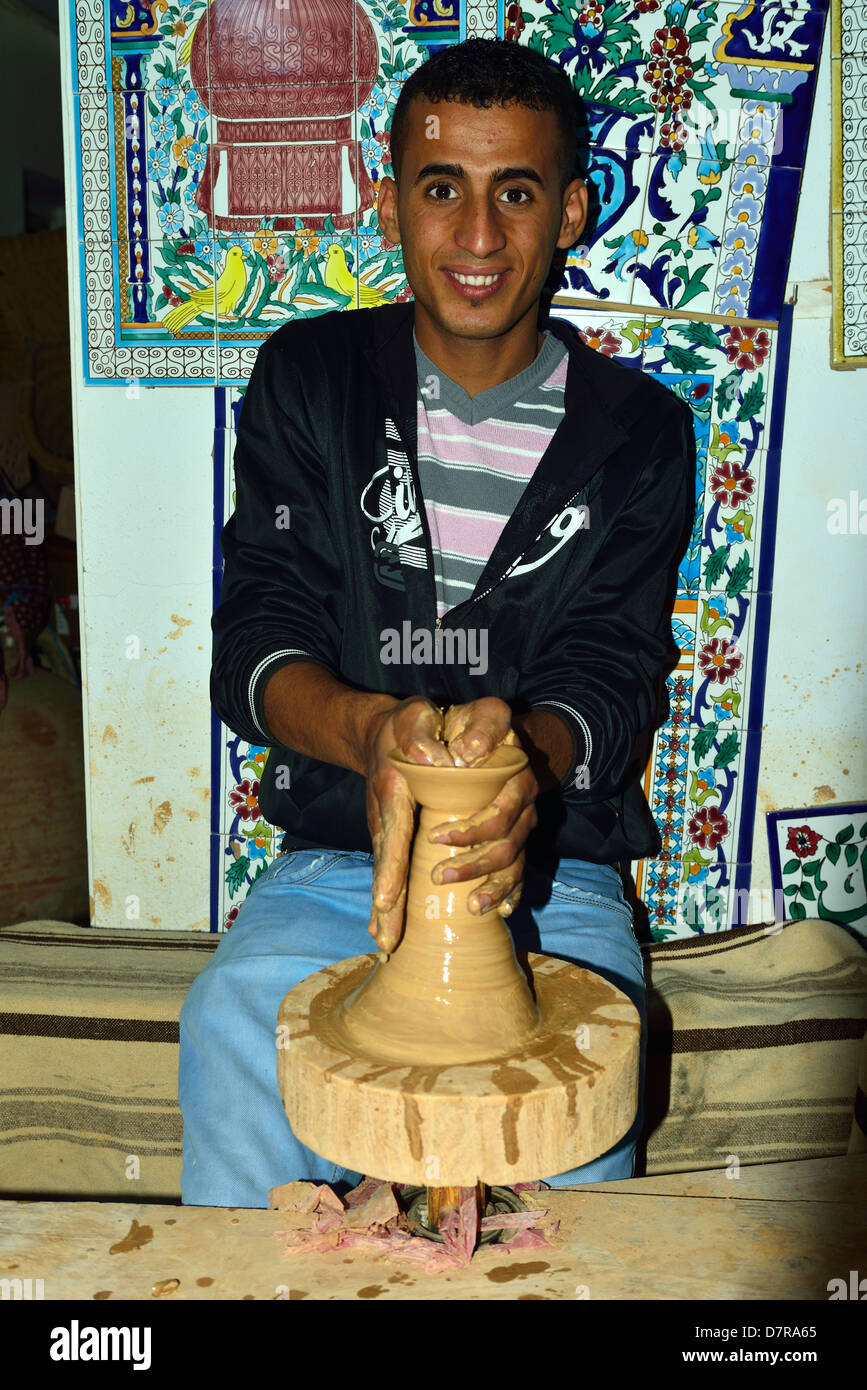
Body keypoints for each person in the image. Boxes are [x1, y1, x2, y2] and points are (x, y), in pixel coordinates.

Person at [179, 37, 696, 1208]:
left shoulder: (638, 434)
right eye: (441, 188)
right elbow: (254, 641)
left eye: (515, 192)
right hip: (334, 867)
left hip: (557, 879)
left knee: (570, 1115)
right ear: (388, 195)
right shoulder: (310, 377)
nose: (475, 237)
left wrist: (522, 768)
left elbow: (614, 672)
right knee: (231, 1030)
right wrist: (371, 738)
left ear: (569, 211)